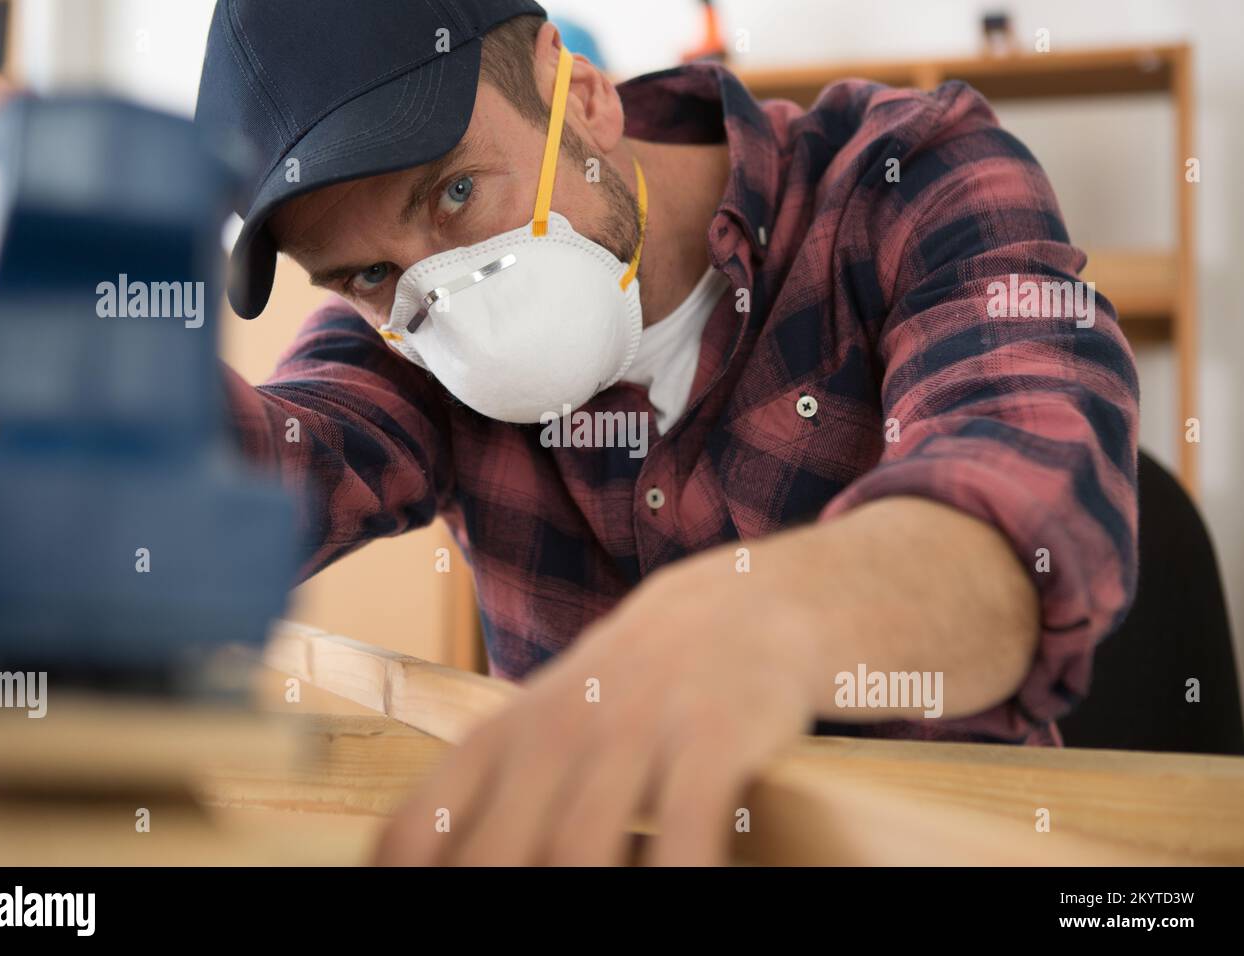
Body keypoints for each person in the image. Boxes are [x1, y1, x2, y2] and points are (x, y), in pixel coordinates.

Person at [194, 0, 1139, 866]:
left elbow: (1032, 496)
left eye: (453, 197)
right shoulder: (406, 334)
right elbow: (274, 463)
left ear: (586, 95)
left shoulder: (909, 180)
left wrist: (766, 624)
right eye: (365, 273)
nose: (437, 301)